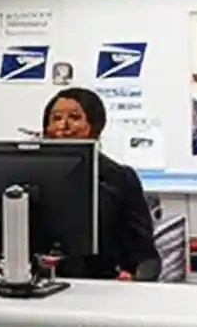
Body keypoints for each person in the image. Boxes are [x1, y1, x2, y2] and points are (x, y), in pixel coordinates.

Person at [41, 87, 160, 280]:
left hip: (105, 288)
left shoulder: (120, 179)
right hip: (43, 286)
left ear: (94, 126)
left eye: (74, 117)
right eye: (56, 118)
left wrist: (135, 278)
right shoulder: (33, 177)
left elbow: (148, 259)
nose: (63, 125)